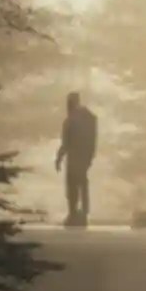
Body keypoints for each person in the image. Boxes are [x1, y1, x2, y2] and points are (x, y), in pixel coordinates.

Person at [55, 92, 98, 226]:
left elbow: (66, 143)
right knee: (82, 184)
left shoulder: (71, 120)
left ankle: (73, 214)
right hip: (84, 158)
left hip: (74, 158)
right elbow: (93, 140)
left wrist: (59, 158)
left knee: (73, 186)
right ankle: (83, 214)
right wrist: (90, 156)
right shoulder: (89, 118)